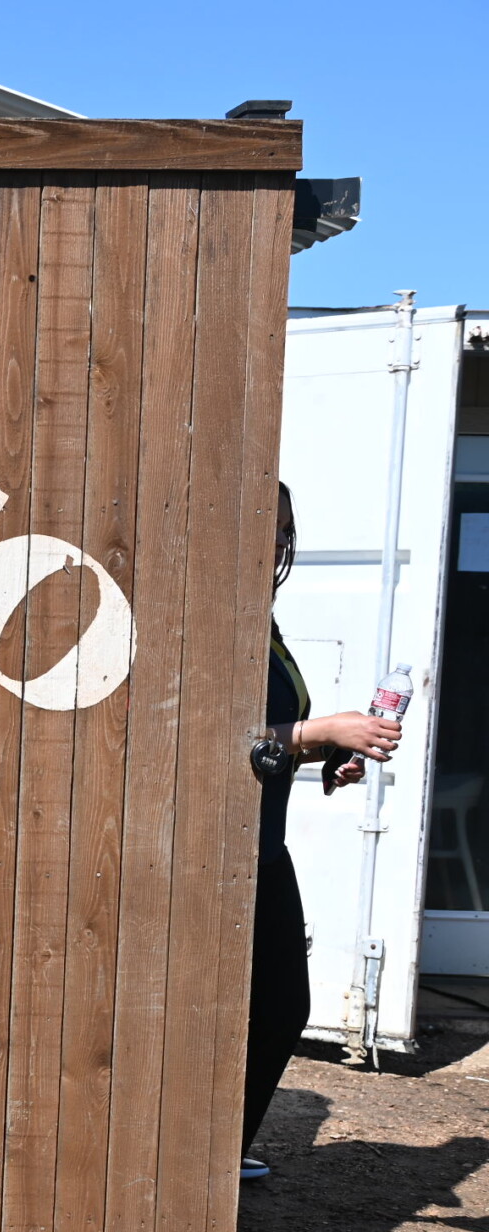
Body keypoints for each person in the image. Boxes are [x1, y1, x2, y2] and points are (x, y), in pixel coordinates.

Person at [242, 483, 399, 1182]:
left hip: (264, 847)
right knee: (266, 1006)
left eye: (284, 529)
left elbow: (265, 741)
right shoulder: (221, 619)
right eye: (263, 527)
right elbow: (215, 736)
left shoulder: (263, 622)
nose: (276, 542)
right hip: (228, 853)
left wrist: (324, 754)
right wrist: (324, 728)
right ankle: (213, 1156)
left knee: (283, 1006)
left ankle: (224, 1148)